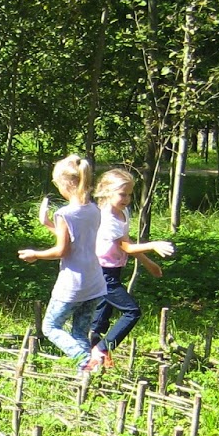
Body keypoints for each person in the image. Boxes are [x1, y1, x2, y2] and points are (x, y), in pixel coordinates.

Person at [20, 155, 106, 376]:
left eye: (57, 184)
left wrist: (35, 254)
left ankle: (86, 359)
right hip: (94, 282)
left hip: (73, 285)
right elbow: (76, 241)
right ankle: (85, 375)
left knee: (50, 327)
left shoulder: (65, 213)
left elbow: (62, 250)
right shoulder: (93, 210)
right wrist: (48, 224)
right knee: (79, 332)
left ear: (67, 183)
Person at [89, 167, 174, 368]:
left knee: (101, 318)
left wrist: (148, 263)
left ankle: (94, 352)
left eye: (129, 194)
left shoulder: (123, 212)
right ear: (107, 192)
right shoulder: (108, 218)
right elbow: (125, 246)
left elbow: (127, 242)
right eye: (122, 194)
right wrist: (153, 246)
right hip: (102, 272)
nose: (126, 199)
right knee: (132, 311)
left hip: (113, 269)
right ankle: (103, 348)